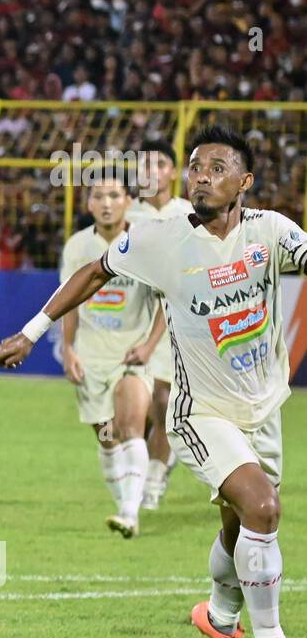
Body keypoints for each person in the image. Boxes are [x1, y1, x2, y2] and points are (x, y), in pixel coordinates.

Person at [0, 126, 307, 638]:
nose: (201, 175)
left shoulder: (272, 231)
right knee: (265, 511)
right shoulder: (159, 239)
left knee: (239, 527)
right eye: (195, 166)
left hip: (263, 407)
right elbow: (93, 273)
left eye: (216, 166)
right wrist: (31, 333)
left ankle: (218, 617)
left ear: (245, 182)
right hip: (199, 411)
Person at [58, 178, 164, 537]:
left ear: (128, 202)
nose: (106, 203)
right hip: (90, 358)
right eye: (98, 196)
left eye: (114, 196)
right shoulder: (77, 246)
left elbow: (167, 301)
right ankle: (125, 500)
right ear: (88, 204)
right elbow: (68, 300)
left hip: (132, 356)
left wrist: (149, 346)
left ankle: (129, 513)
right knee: (106, 437)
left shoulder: (146, 243)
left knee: (131, 425)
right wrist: (68, 349)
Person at [125, 139, 195, 510]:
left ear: (172, 171)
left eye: (159, 164)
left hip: (175, 321)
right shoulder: (126, 214)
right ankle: (157, 460)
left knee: (163, 398)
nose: (151, 171)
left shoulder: (189, 213)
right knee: (131, 414)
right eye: (144, 165)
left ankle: (152, 482)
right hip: (129, 322)